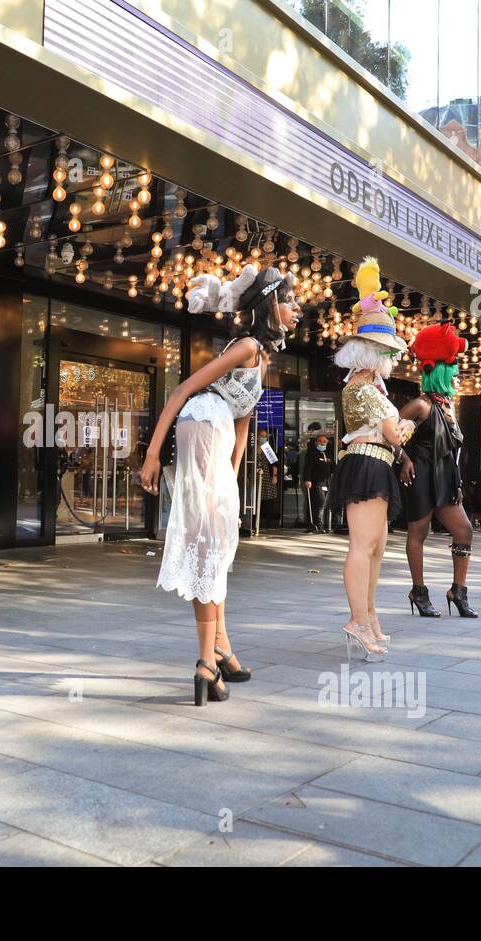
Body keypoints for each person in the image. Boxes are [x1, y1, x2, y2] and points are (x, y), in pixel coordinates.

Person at [141, 263, 301, 705]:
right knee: (208, 546)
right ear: (271, 303)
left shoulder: (262, 355)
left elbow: (246, 423)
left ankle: (221, 648)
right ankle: (205, 662)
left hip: (216, 433)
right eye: (290, 301)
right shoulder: (247, 345)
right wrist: (153, 455)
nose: (297, 308)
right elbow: (182, 391)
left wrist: (231, 487)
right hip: (202, 424)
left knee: (217, 540)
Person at [326, 257, 414, 661]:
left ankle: (369, 616)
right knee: (364, 546)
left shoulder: (368, 389)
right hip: (367, 461)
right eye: (388, 354)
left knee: (374, 547)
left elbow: (392, 435)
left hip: (374, 462)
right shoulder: (363, 390)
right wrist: (404, 429)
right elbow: (395, 434)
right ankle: (358, 620)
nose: (392, 361)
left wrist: (398, 432)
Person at [395, 319, 476, 618]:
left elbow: (451, 450)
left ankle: (458, 591)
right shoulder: (421, 405)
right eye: (454, 374)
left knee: (464, 530)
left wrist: (456, 482)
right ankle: (418, 591)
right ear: (441, 374)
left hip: (444, 477)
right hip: (420, 475)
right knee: (419, 532)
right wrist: (404, 459)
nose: (457, 380)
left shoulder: (448, 407)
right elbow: (389, 432)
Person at [301, 425, 336, 532]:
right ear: (316, 443)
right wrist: (307, 479)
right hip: (316, 482)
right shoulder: (311, 453)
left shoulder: (328, 454)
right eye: (320, 441)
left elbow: (333, 468)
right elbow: (308, 468)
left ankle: (320, 524)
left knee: (323, 503)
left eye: (324, 442)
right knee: (320, 502)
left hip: (326, 483)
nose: (322, 443)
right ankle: (318, 524)